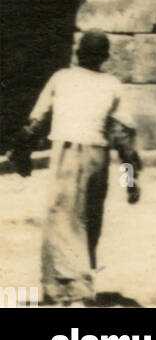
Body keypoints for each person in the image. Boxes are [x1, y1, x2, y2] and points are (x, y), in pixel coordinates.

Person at [9, 30, 141, 306]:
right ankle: (79, 286)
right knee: (89, 218)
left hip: (66, 155)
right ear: (105, 57)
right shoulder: (113, 84)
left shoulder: (61, 78)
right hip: (97, 156)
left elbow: (34, 123)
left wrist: (21, 156)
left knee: (61, 220)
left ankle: (64, 290)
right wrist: (130, 181)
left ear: (78, 53)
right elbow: (123, 141)